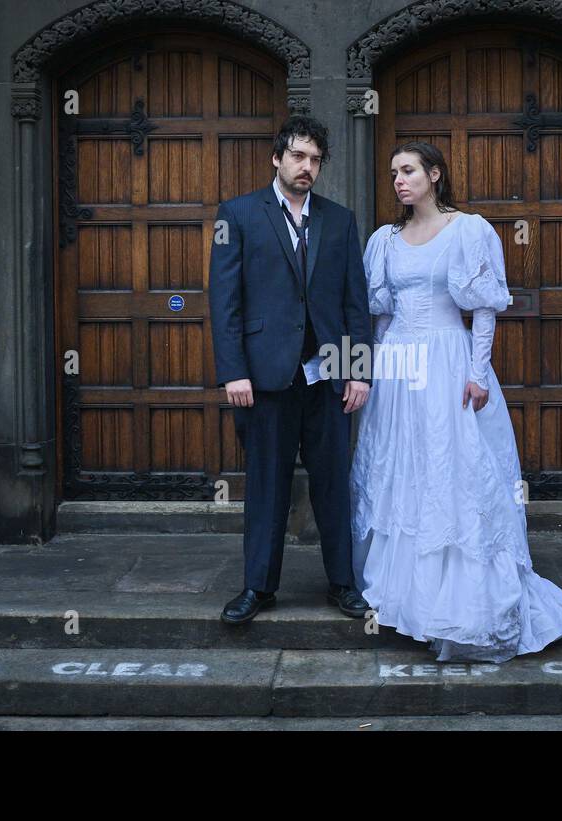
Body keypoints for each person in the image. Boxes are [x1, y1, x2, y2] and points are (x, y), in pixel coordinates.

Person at [349, 140, 562, 662]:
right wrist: (372, 372)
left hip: (447, 361)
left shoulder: (468, 230)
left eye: (409, 170)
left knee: (451, 469)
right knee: (402, 469)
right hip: (399, 366)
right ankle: (403, 599)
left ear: (434, 175)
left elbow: (484, 310)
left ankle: (459, 601)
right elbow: (382, 316)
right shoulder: (385, 240)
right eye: (394, 172)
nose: (399, 180)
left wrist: (478, 374)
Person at [208, 115, 372, 624]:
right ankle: (258, 587)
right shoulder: (235, 215)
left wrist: (357, 371)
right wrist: (234, 371)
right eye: (298, 156)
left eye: (315, 160)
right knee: (266, 486)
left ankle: (343, 584)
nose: (307, 167)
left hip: (327, 379)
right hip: (265, 379)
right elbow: (225, 300)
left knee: (333, 485)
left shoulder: (339, 220)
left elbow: (355, 304)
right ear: (277, 158)